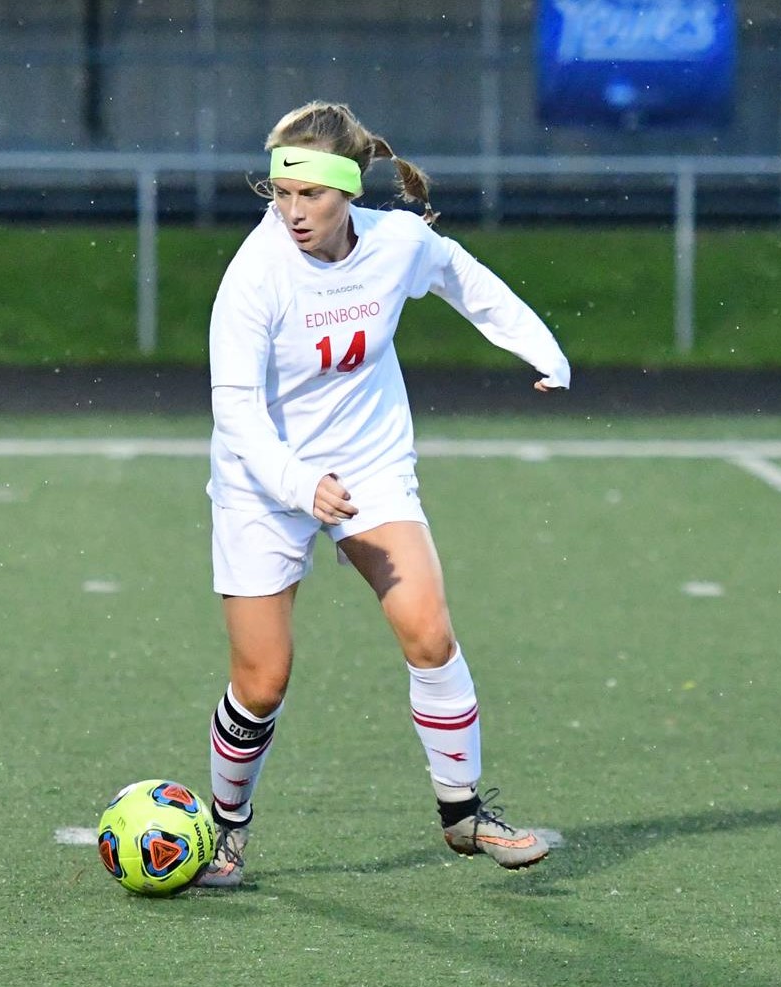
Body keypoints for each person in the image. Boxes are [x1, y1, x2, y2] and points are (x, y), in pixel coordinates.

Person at [198, 100, 570, 888]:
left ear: (349, 193)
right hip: (262, 480)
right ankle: (227, 830)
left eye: (312, 196)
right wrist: (299, 483)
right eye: (281, 194)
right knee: (262, 680)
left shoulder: (398, 243)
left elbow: (467, 281)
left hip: (368, 466)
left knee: (429, 632)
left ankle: (464, 813)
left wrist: (544, 349)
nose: (294, 213)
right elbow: (234, 409)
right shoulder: (253, 276)